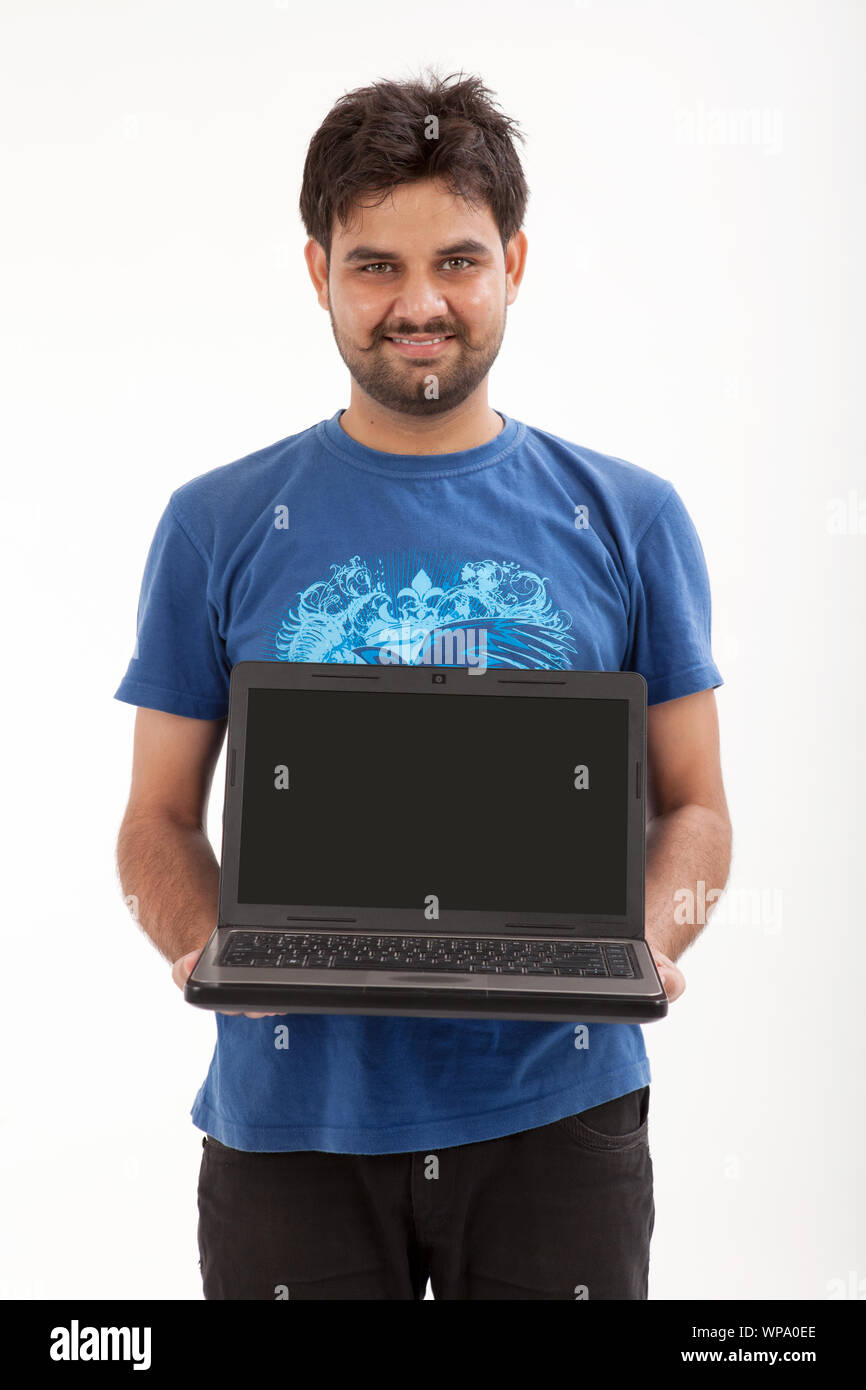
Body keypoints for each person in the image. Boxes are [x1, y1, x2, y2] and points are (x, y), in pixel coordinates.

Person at [115, 69, 731, 1301]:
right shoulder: (214, 524)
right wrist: (205, 946)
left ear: (512, 261)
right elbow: (156, 820)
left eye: (454, 261)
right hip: (292, 1125)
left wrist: (650, 946)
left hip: (557, 1118)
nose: (418, 304)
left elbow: (695, 806)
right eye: (374, 266)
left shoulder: (629, 517)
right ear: (316, 271)